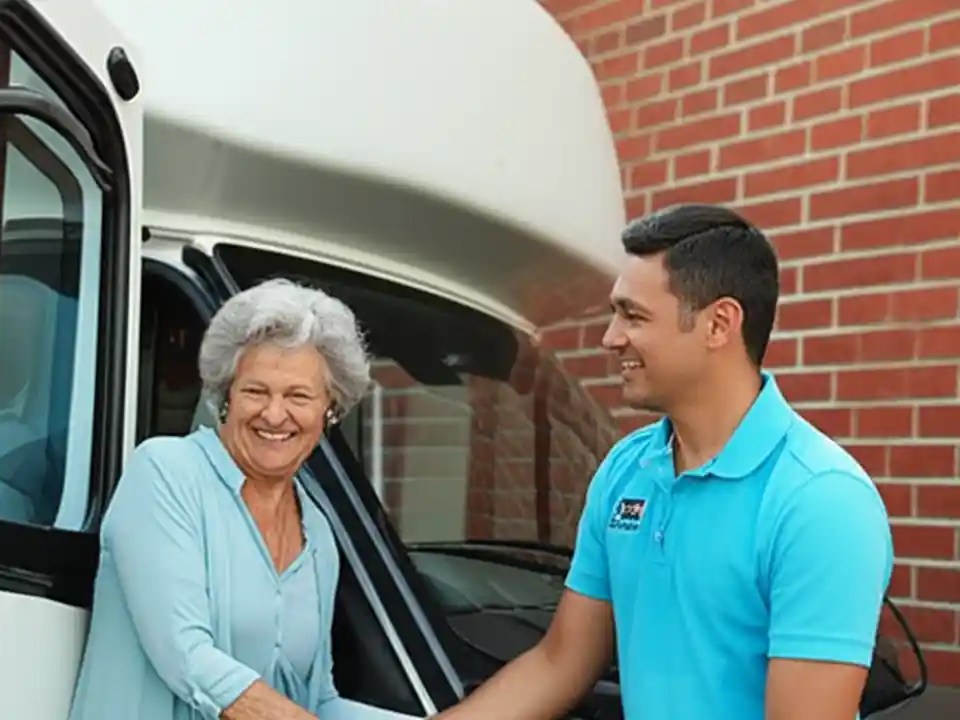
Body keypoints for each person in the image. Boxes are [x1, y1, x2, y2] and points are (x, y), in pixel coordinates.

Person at [434, 204, 893, 720]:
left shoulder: (821, 501)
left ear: (719, 323)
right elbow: (558, 663)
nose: (610, 337)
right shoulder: (625, 471)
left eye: (633, 315)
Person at [68, 278, 418, 720]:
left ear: (329, 409)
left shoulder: (319, 536)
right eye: (256, 391)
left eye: (298, 396)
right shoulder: (165, 473)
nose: (274, 414)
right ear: (226, 396)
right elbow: (187, 657)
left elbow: (319, 700)